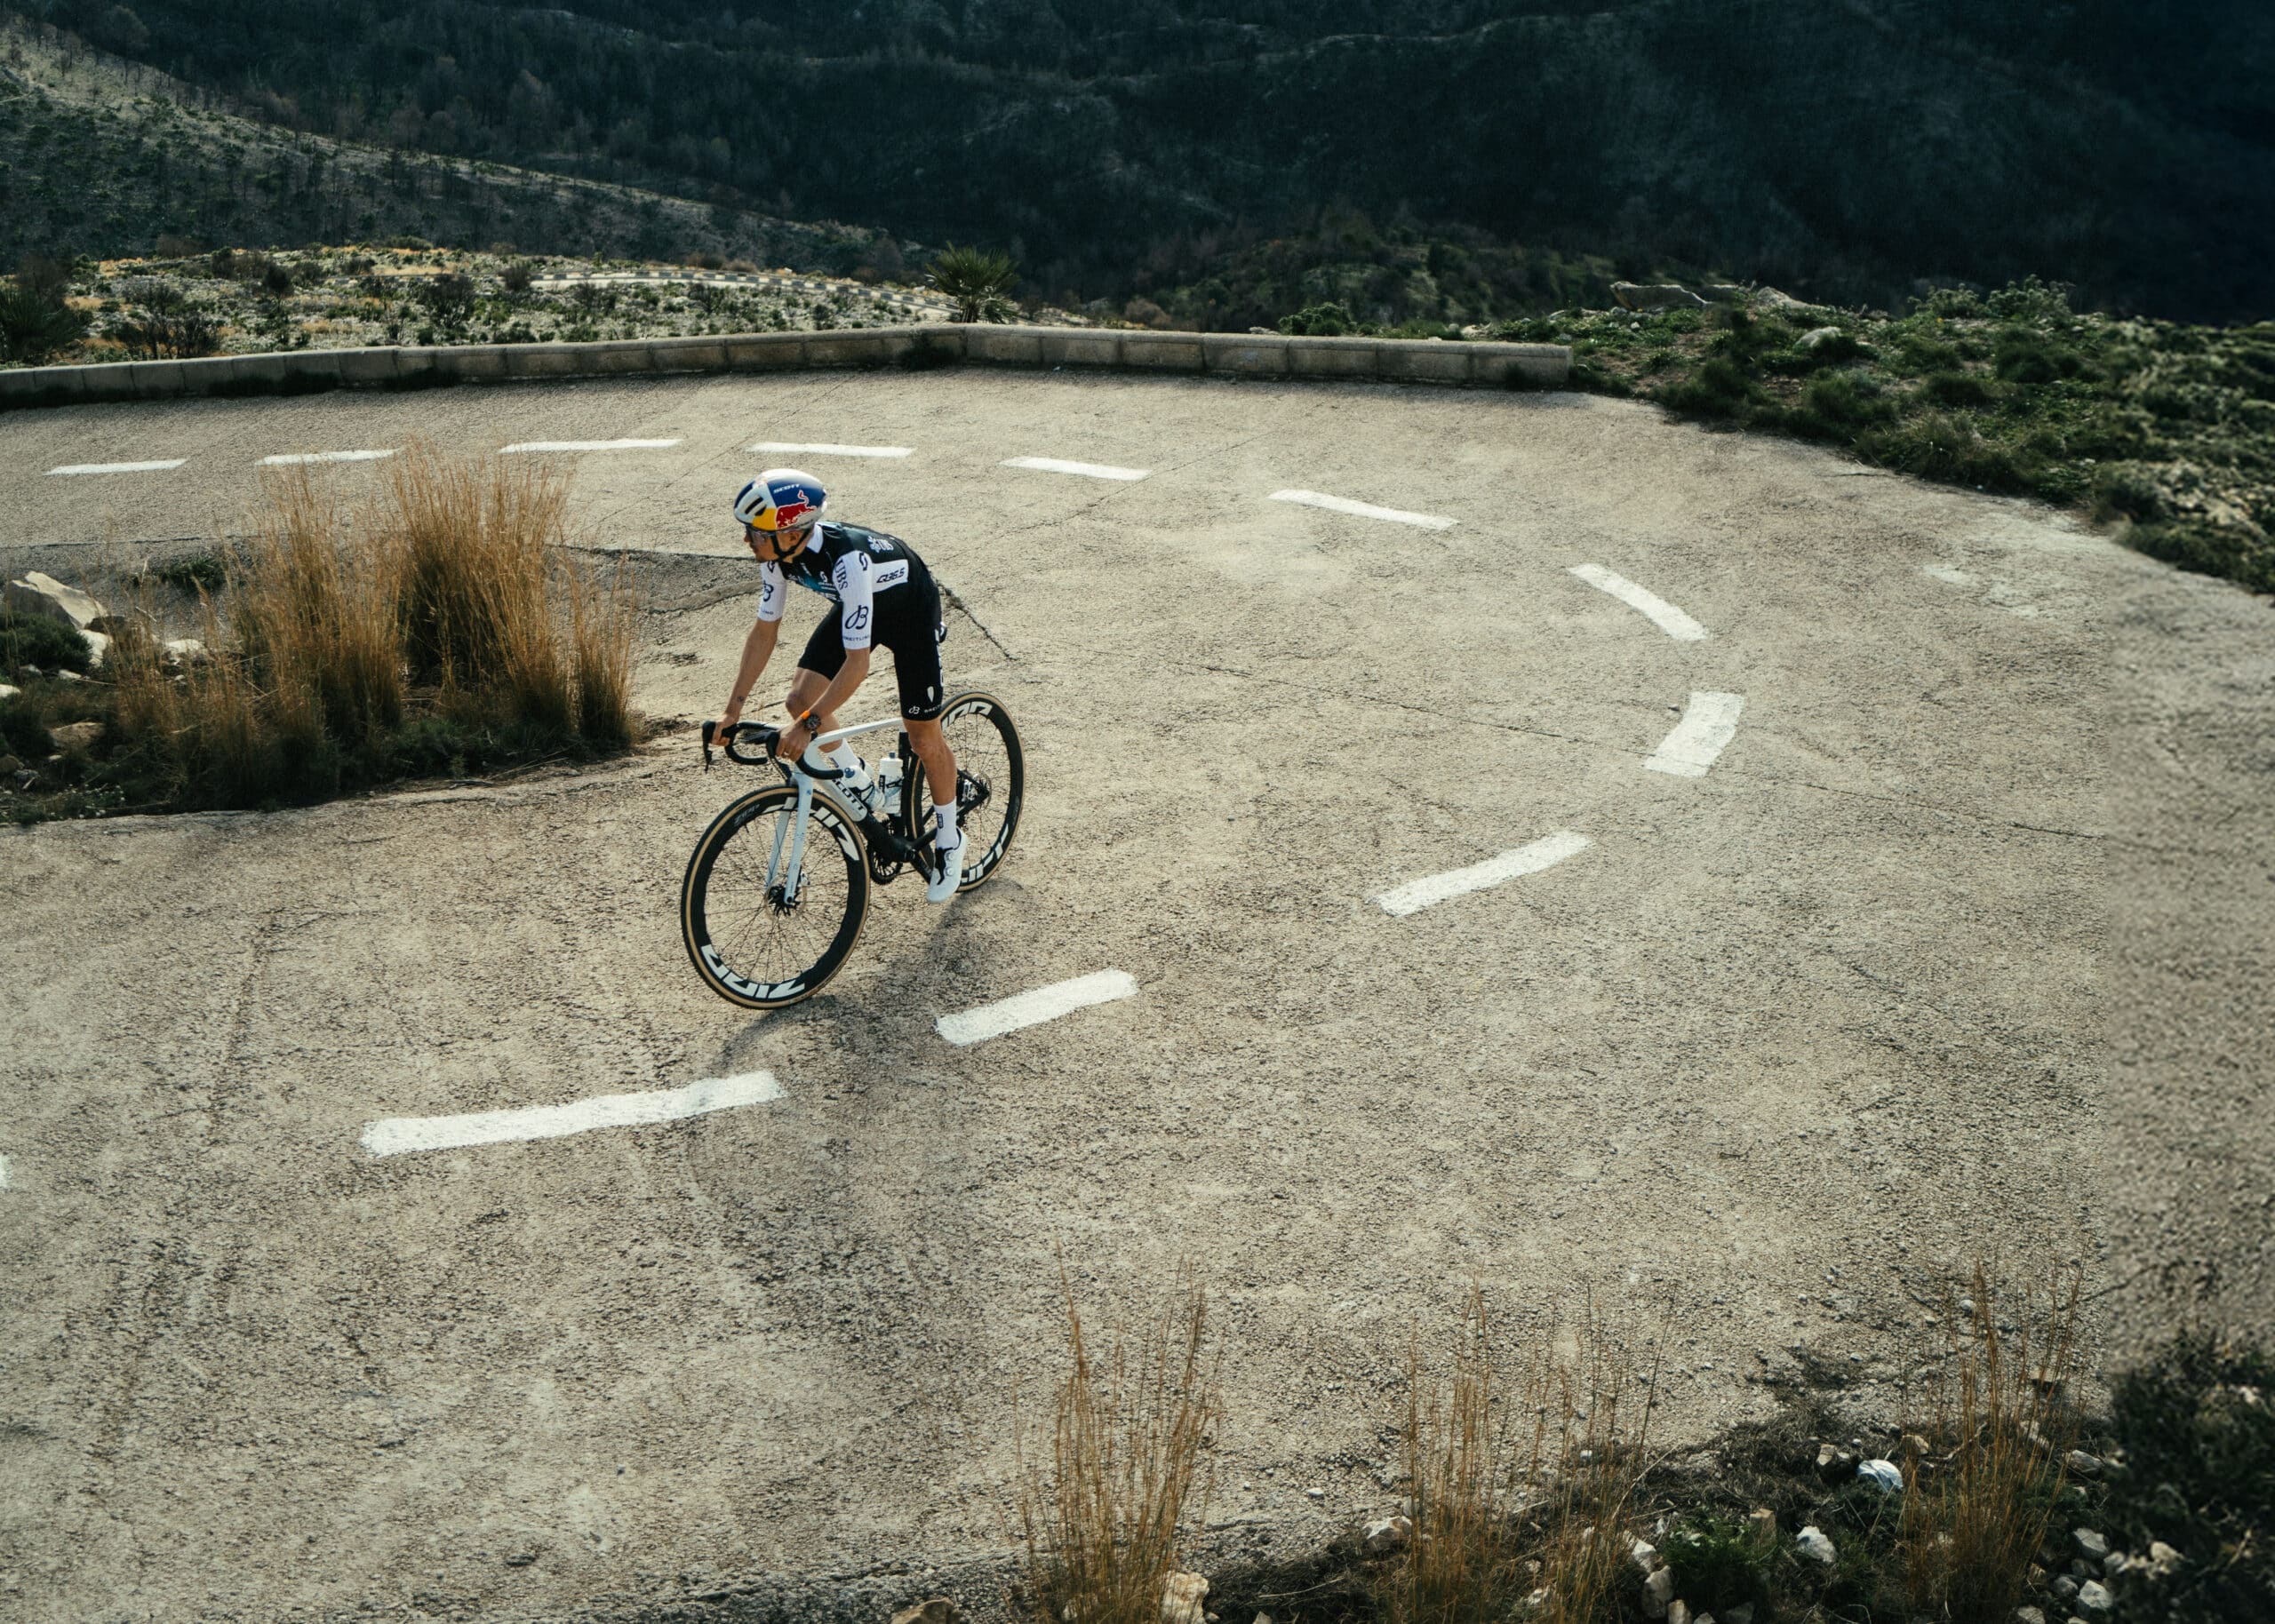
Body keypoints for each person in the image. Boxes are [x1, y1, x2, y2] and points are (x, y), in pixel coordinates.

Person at [715, 468, 965, 902]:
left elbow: (857, 664)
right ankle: (860, 780)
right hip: (861, 605)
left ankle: (949, 837)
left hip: (910, 611)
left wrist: (809, 727)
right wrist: (731, 710)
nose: (747, 542)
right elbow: (764, 633)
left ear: (790, 531)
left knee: (923, 738)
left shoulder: (846, 559)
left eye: (755, 533)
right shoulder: (776, 558)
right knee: (799, 698)